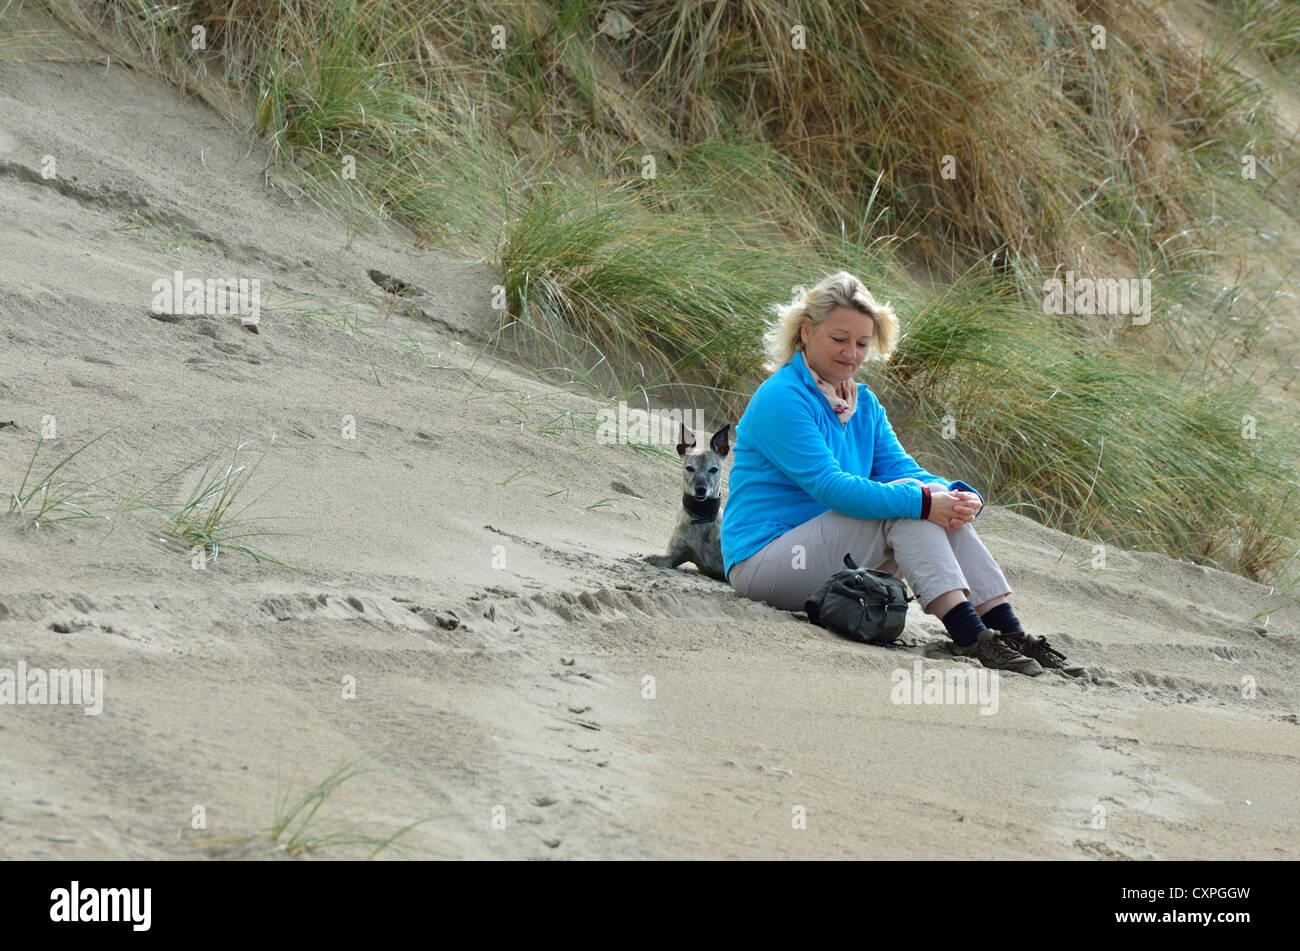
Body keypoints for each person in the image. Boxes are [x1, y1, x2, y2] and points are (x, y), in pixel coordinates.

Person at [720, 271, 1082, 676]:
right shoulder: (782, 397)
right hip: (764, 564)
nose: (851, 353)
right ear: (806, 332)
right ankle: (969, 635)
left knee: (920, 497)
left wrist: (958, 495)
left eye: (861, 343)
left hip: (832, 551)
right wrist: (925, 500)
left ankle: (1007, 630)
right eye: (839, 339)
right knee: (911, 504)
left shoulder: (864, 403)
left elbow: (901, 469)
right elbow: (830, 487)